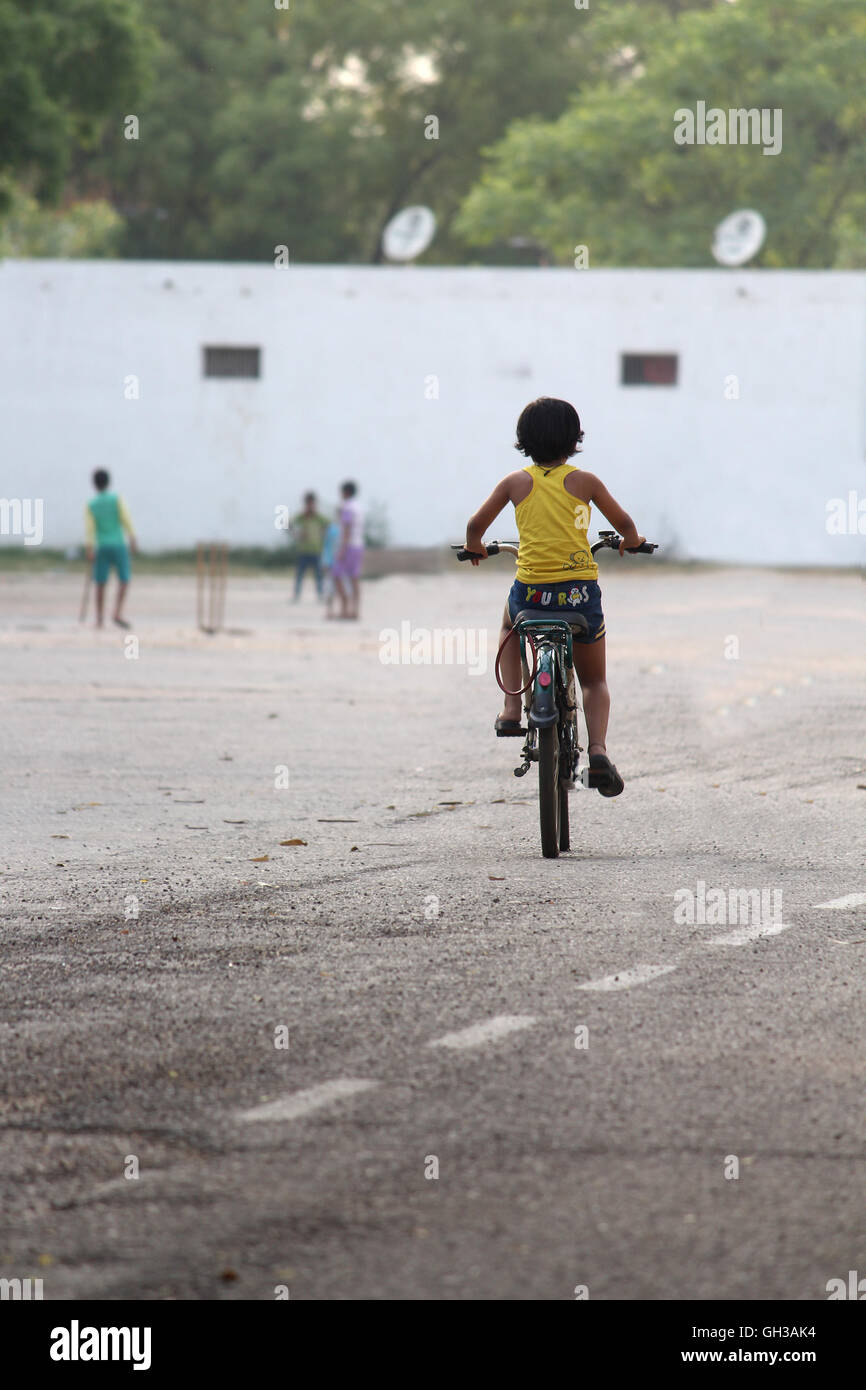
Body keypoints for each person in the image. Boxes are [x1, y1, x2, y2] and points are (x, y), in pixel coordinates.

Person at [463, 396, 645, 797]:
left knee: (509, 625)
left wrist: (475, 546)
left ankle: (512, 710)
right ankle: (597, 749)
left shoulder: (514, 483)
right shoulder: (586, 483)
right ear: (575, 439)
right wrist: (632, 542)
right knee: (594, 679)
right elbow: (625, 524)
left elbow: (475, 525)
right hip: (579, 596)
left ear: (523, 440)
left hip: (532, 594)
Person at [85, 470, 137, 629]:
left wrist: (90, 547)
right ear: (108, 482)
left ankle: (100, 618)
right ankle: (117, 612)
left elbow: (90, 529)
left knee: (100, 582)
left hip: (101, 546)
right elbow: (125, 518)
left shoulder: (91, 505)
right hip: (118, 544)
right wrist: (132, 537)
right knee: (124, 579)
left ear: (94, 484)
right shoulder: (116, 499)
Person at [332, 481, 365, 620]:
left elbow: (347, 528)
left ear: (345, 492)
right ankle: (355, 610)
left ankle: (344, 608)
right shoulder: (359, 507)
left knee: (336, 575)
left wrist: (342, 549)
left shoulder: (347, 508)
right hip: (359, 545)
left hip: (349, 545)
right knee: (354, 578)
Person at [290, 492, 329, 599]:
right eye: (308, 504)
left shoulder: (319, 517)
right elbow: (288, 524)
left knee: (318, 575)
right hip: (303, 550)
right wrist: (296, 535)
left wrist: (323, 534)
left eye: (312, 503)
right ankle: (296, 595)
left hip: (316, 550)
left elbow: (329, 525)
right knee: (299, 575)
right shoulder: (301, 517)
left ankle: (320, 594)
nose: (310, 506)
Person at [320, 517, 342, 618]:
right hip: (333, 561)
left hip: (331, 561)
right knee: (332, 587)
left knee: (330, 587)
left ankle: (330, 611)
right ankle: (332, 610)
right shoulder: (337, 529)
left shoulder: (334, 529)